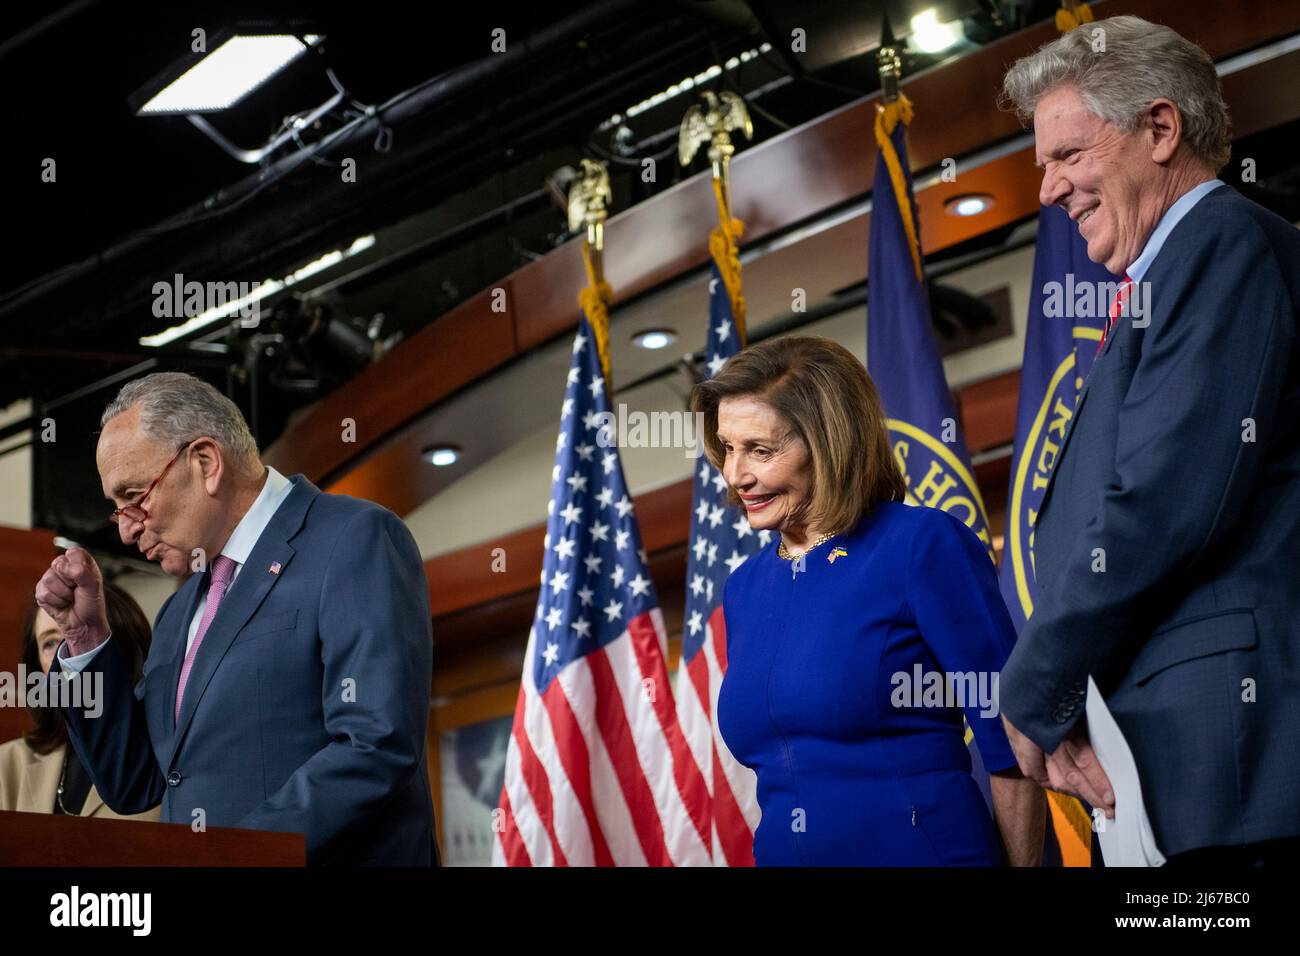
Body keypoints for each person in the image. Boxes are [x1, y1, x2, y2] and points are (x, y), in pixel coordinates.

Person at [998, 15, 1300, 864]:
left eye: (1067, 155)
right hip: (1175, 759)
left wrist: (1033, 685)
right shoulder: (1165, 274)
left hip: (1233, 758)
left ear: (1160, 129)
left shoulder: (1218, 241)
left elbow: (1171, 494)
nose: (1049, 190)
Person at [35, 371, 439, 865]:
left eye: (134, 497)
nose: (125, 532)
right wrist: (85, 637)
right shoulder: (178, 612)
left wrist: (232, 856)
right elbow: (132, 782)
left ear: (205, 462)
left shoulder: (355, 538)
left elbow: (374, 745)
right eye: (116, 509)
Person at [695, 335, 1044, 865]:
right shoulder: (744, 588)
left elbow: (1011, 743)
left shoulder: (921, 544)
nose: (734, 474)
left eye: (760, 451)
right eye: (728, 448)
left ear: (830, 444)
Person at [0, 583, 159, 821]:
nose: (67, 653)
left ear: (125, 644)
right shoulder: (7, 764)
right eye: (50, 643)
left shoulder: (168, 759)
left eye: (80, 631)